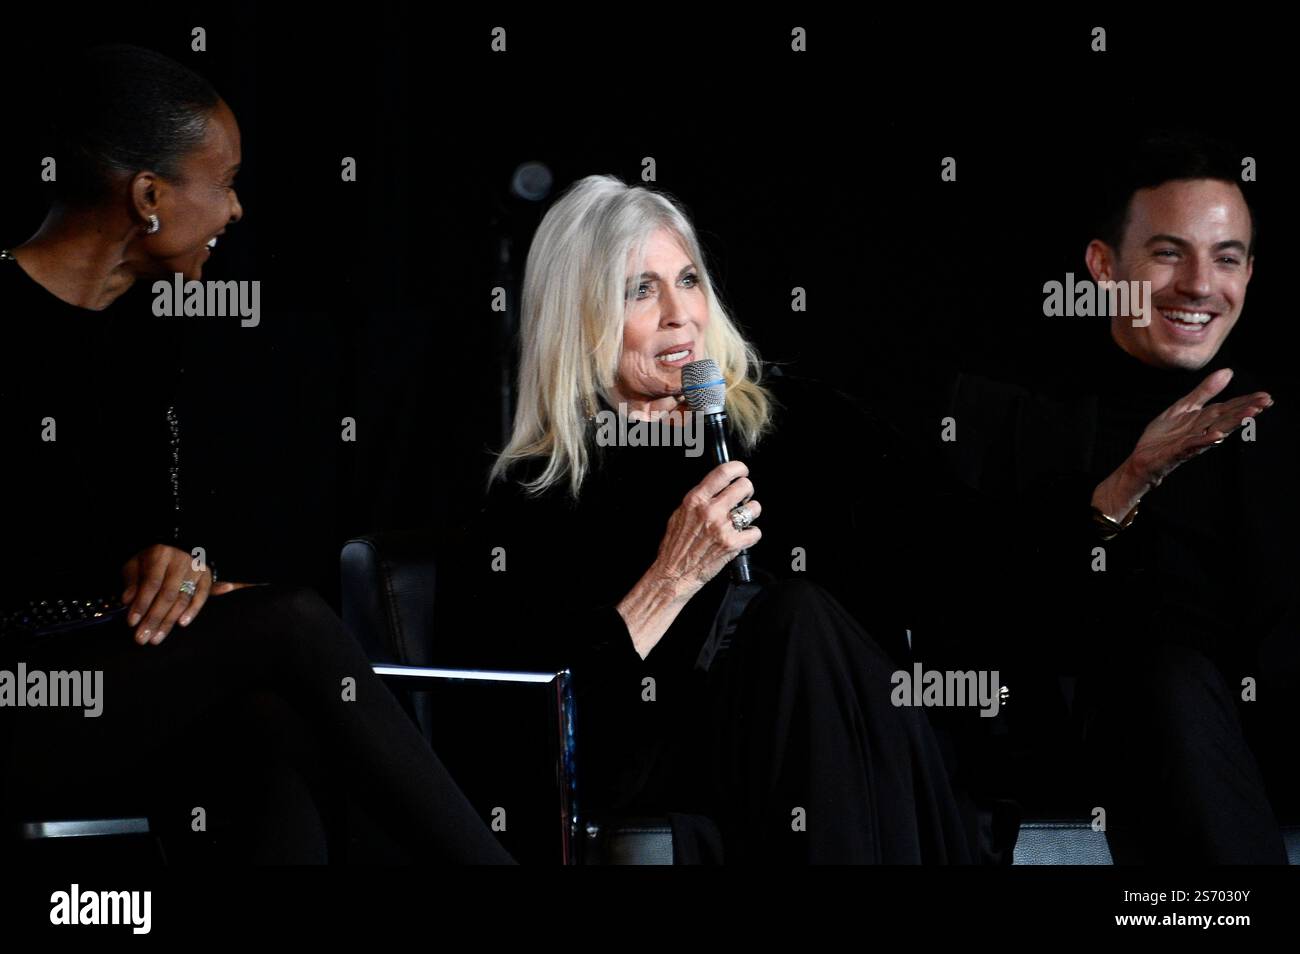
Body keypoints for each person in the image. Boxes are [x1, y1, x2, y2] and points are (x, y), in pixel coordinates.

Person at [0, 43, 513, 864]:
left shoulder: (146, 337)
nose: (237, 213)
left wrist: (174, 575)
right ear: (149, 197)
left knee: (268, 719)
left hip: (116, 681)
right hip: (22, 699)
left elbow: (131, 543)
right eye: (227, 183)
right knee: (290, 620)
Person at [437, 174, 985, 864]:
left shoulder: (808, 427)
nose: (680, 314)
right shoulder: (532, 500)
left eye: (688, 280)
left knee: (800, 615)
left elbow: (971, 557)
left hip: (867, 749)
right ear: (577, 316)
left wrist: (1115, 497)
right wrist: (673, 577)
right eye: (641, 290)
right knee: (793, 618)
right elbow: (525, 740)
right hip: (680, 767)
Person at [944, 132, 1298, 863]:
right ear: (1105, 266)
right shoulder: (1016, 413)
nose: (1200, 284)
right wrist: (1128, 482)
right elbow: (996, 617)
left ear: (1249, 273)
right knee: (1166, 679)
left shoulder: (1274, 411)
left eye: (1226, 258)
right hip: (1118, 729)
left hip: (1273, 732)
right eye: (1169, 253)